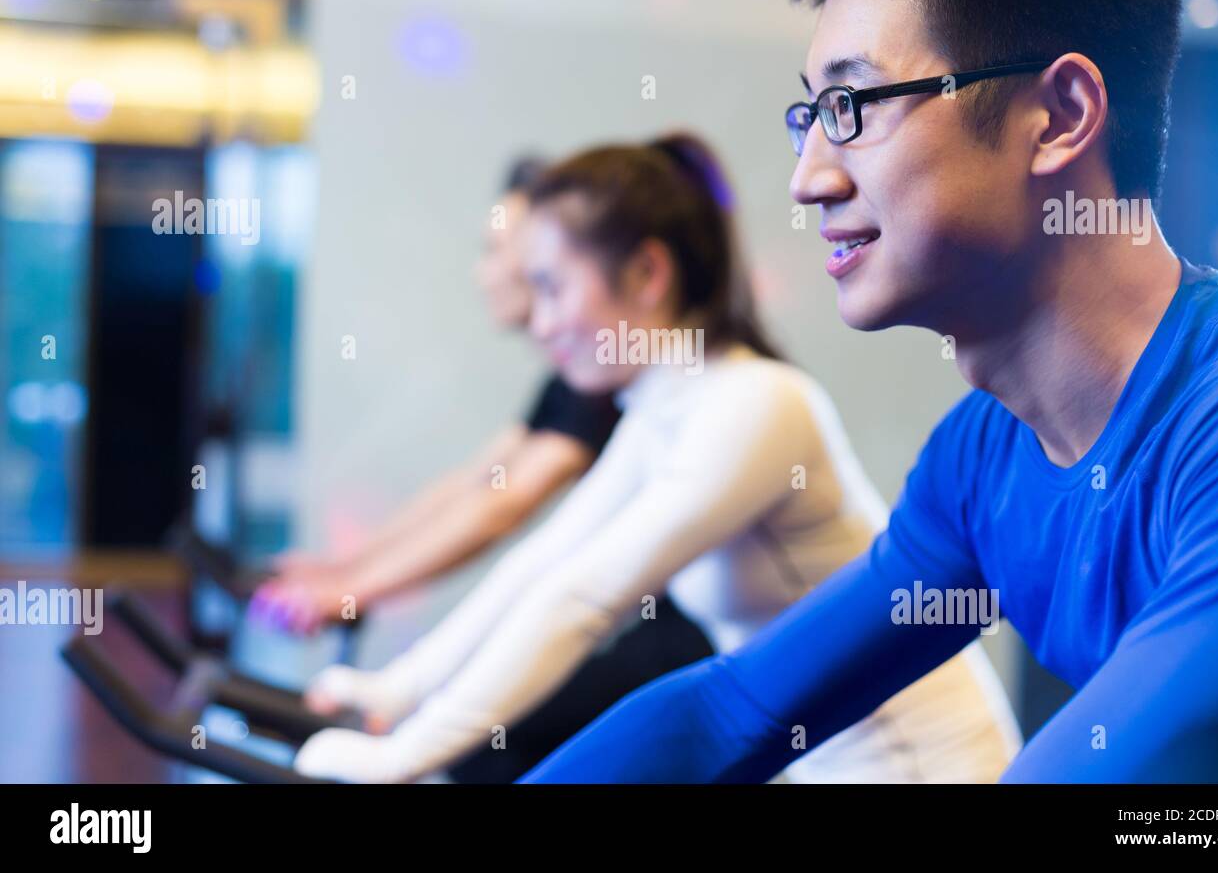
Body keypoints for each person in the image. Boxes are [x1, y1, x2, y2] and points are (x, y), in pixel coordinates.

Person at [520, 0, 1218, 784]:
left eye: (853, 107)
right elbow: (725, 716)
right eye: (810, 117)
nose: (808, 177)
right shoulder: (980, 462)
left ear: (1060, 118)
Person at [291, 133, 1022, 783]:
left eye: (552, 288)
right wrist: (396, 693)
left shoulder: (755, 403)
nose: (540, 323)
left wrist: (405, 756)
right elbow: (544, 565)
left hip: (928, 767)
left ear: (646, 274)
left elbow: (582, 602)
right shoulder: (665, 407)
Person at [252, 158, 714, 781]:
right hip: (672, 633)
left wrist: (359, 598)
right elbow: (481, 489)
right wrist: (348, 578)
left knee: (486, 745)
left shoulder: (639, 381)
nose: (492, 271)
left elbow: (509, 518)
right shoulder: (610, 383)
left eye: (514, 255)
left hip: (693, 647)